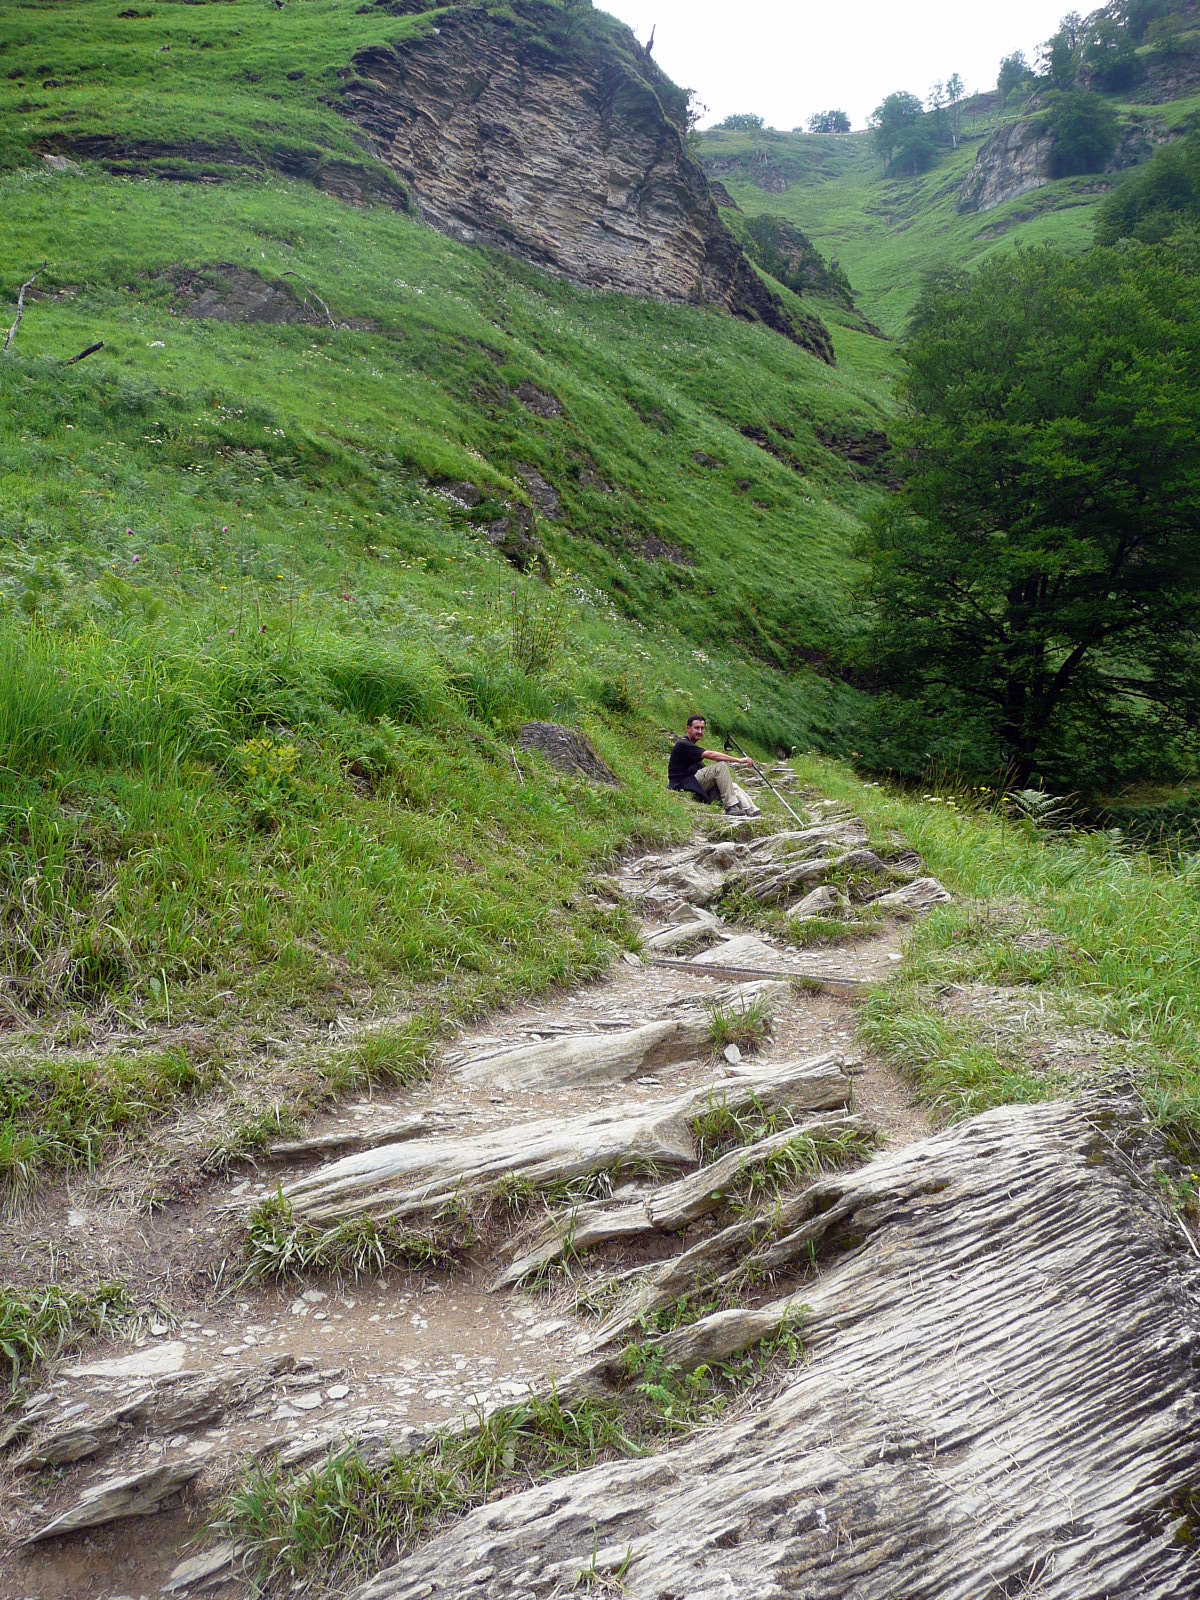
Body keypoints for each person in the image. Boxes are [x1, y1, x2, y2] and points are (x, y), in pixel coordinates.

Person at [667, 714, 761, 817]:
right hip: (682, 785)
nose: (700, 731)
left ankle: (753, 812)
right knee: (720, 765)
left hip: (693, 784)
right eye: (696, 728)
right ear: (688, 729)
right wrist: (738, 760)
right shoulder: (683, 744)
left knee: (732, 786)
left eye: (702, 728)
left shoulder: (691, 747)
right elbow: (711, 755)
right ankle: (731, 807)